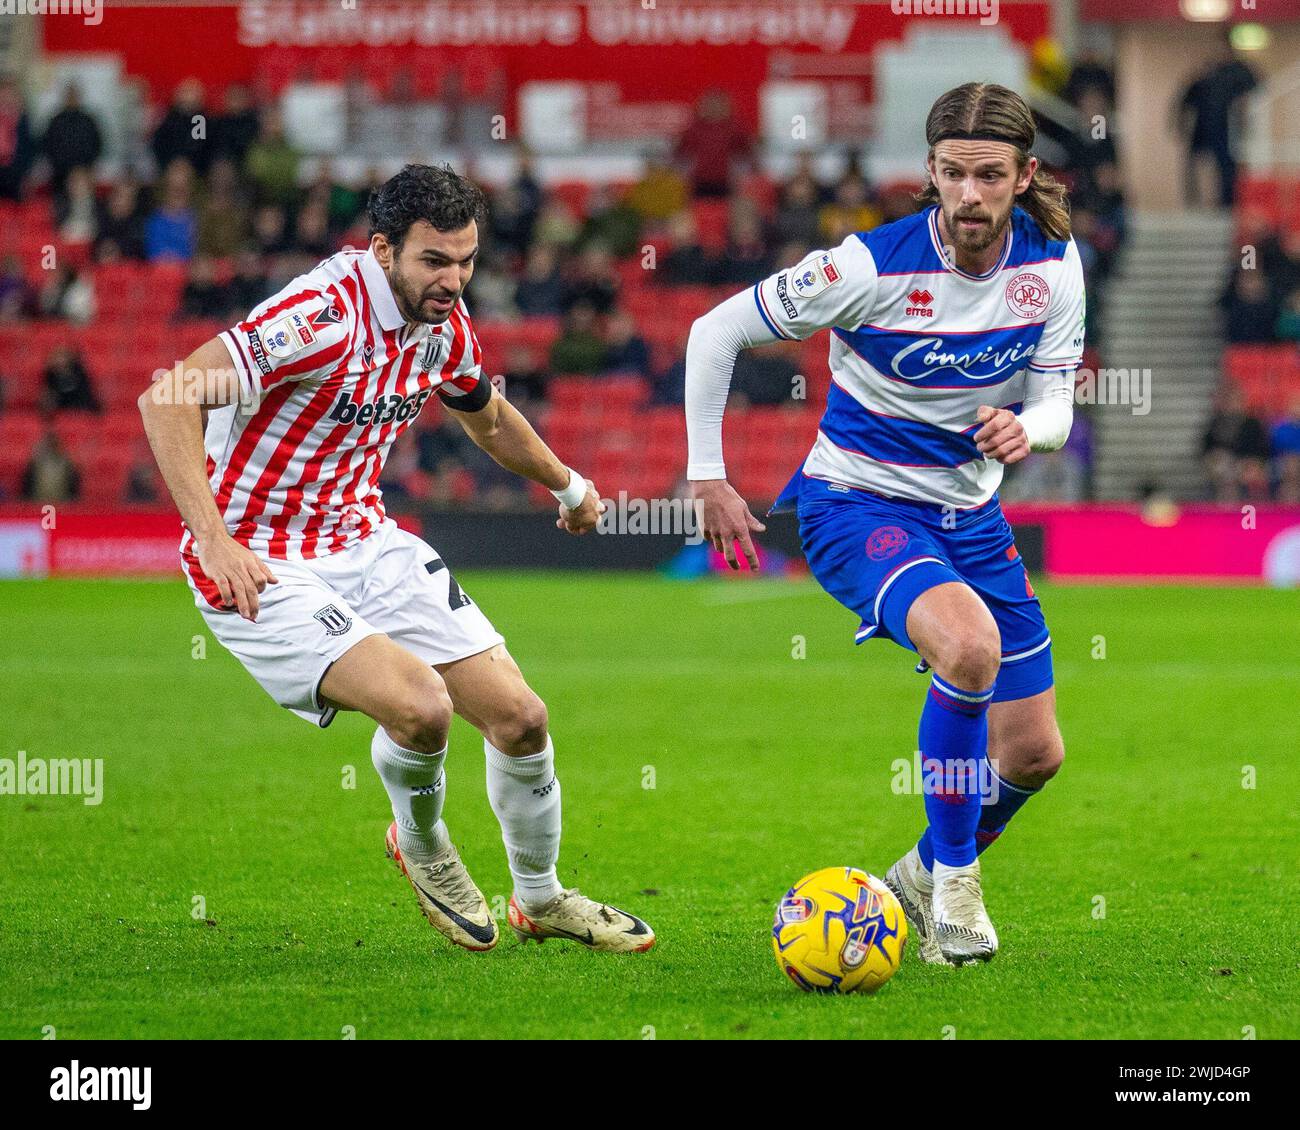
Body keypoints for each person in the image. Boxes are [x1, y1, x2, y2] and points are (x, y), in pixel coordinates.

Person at [138, 163, 654, 955]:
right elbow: (168, 395)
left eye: (467, 260)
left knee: (521, 720)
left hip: (366, 540)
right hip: (260, 559)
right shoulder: (317, 314)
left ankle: (541, 897)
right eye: (435, 261)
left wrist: (568, 482)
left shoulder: (442, 324)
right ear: (383, 250)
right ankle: (420, 844)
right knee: (421, 708)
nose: (455, 279)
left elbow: (485, 417)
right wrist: (214, 538)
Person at [685, 83, 1085, 966]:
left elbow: (1056, 398)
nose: (970, 195)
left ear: (1024, 175)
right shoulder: (865, 268)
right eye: (952, 174)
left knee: (1034, 753)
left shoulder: (1054, 264)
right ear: (931, 173)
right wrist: (708, 476)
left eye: (989, 175)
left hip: (971, 514)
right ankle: (954, 891)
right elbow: (714, 333)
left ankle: (909, 876)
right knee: (969, 648)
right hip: (855, 504)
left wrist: (1032, 427)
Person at [1174, 33, 1258, 208]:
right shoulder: (1207, 74)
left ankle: (1228, 202)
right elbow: (1186, 100)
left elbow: (1255, 92)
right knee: (1195, 165)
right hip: (1204, 127)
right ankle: (1195, 202)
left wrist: (1244, 117)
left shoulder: (1240, 72)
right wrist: (1180, 125)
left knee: (1227, 167)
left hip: (1227, 128)